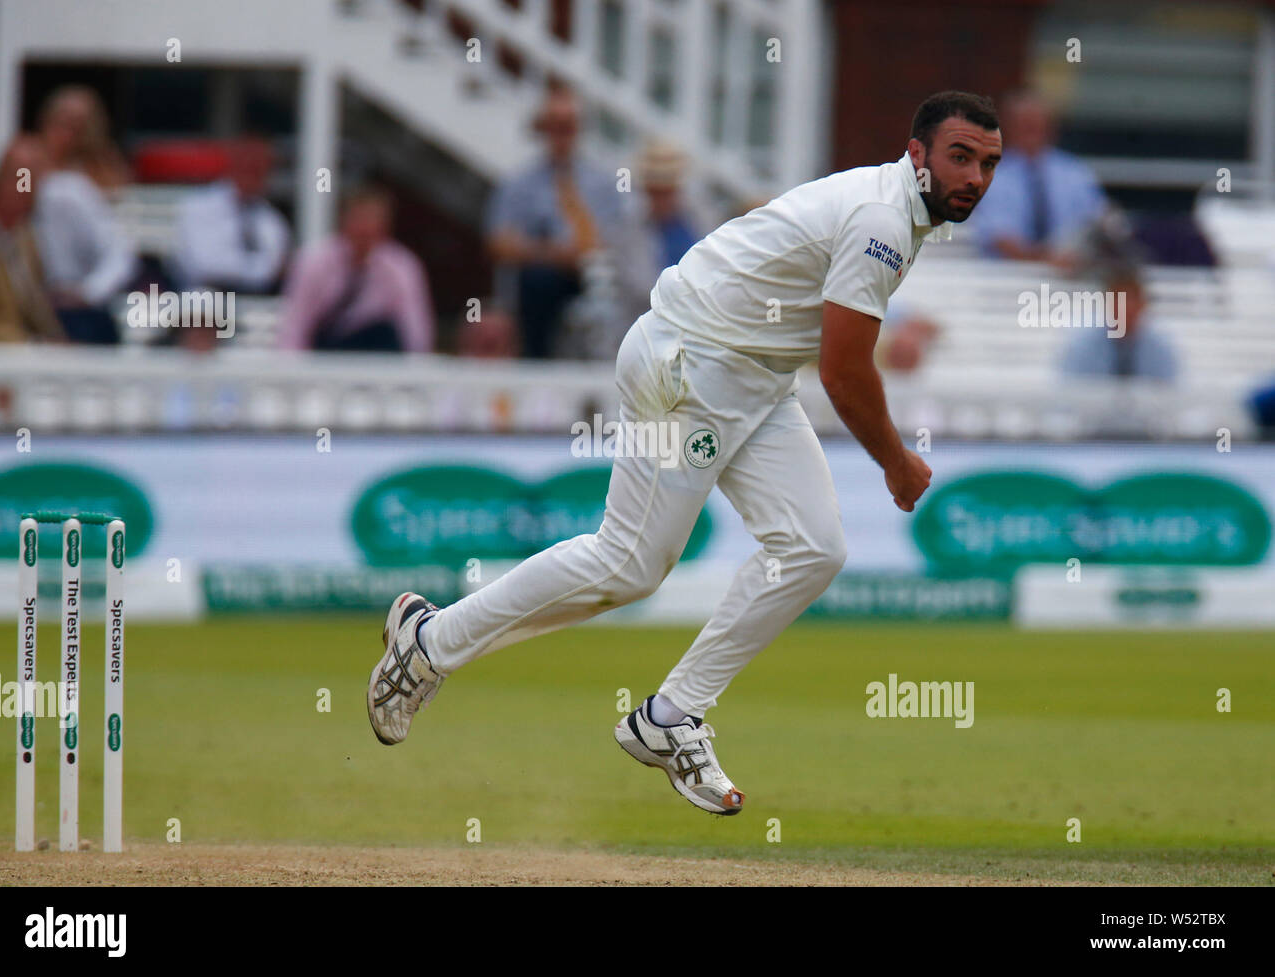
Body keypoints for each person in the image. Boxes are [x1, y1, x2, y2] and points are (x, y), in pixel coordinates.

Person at [366, 91, 1002, 815]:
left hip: (753, 376)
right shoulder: (883, 219)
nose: (975, 177)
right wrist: (896, 460)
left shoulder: (902, 211)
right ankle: (429, 640)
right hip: (690, 364)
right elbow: (844, 371)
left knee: (813, 548)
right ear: (916, 153)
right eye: (960, 157)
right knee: (629, 562)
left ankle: (669, 719)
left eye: (987, 163)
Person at [486, 84, 621, 358]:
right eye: (555, 126)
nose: (561, 134)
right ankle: (538, 367)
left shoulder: (602, 183)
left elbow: (616, 238)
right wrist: (549, 253)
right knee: (538, 283)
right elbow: (498, 243)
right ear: (543, 129)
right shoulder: (520, 183)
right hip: (542, 278)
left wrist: (583, 251)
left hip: (592, 278)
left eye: (568, 126)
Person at [33, 86, 137, 343]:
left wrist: (88, 292)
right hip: (30, 294)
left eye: (77, 126)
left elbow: (117, 250)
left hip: (72, 300)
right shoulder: (27, 166)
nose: (66, 133)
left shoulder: (87, 182)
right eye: (61, 121)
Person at [278, 185, 434, 352]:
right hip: (323, 352)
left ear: (385, 226)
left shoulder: (401, 267)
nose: (365, 228)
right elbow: (296, 323)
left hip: (377, 356)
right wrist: (295, 371)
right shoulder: (315, 261)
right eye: (359, 218)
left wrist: (414, 369)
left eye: (372, 220)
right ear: (343, 220)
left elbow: (414, 328)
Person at [968, 90, 1104, 264]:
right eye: (1025, 124)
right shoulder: (990, 175)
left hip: (1071, 276)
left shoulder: (1074, 172)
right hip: (1007, 276)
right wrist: (1046, 261)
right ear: (1007, 127)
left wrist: (1072, 259)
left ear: (1051, 127)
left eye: (1038, 124)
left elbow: (1097, 224)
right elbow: (999, 237)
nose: (1032, 131)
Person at [616, 140, 722, 325]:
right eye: (656, 191)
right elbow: (640, 287)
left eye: (666, 189)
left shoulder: (700, 218)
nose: (662, 197)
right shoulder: (631, 229)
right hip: (653, 322)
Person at [172, 134, 290, 295]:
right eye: (248, 165)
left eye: (260, 169)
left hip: (256, 304)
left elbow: (277, 271)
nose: (252, 174)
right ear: (233, 163)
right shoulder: (198, 206)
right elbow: (204, 266)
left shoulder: (271, 220)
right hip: (202, 302)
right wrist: (261, 270)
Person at [0, 135, 65, 343]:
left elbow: (38, 311)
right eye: (20, 178)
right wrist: (31, 346)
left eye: (33, 180)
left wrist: (58, 343)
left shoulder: (26, 242)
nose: (26, 188)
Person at [1060, 266, 1177, 381]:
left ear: (1143, 304)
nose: (1127, 306)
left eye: (1133, 299)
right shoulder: (1082, 344)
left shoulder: (1161, 347)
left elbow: (1171, 392)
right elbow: (1069, 390)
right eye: (1120, 298)